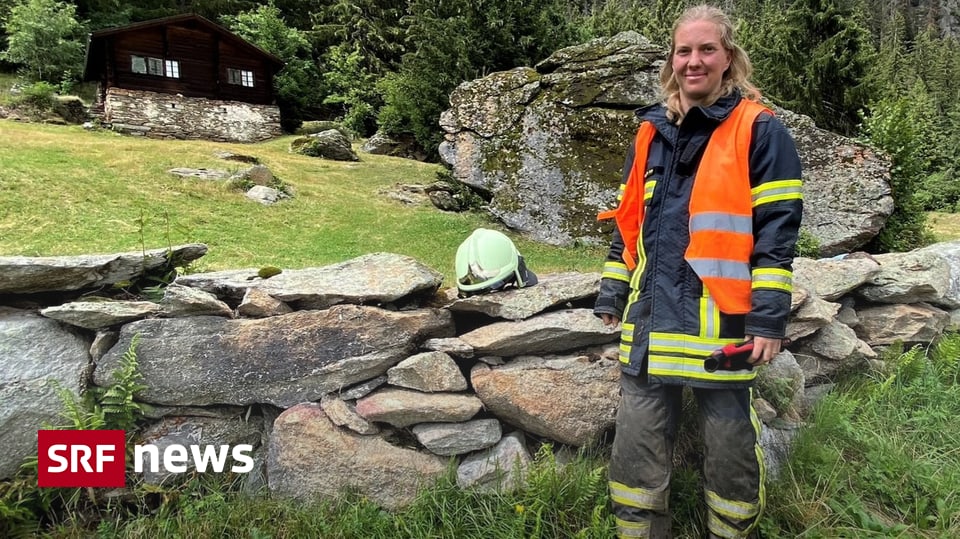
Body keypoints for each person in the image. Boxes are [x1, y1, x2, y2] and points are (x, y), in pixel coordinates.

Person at [593, 5, 803, 539]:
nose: (694, 61)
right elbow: (629, 223)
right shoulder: (649, 132)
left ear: (728, 57)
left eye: (707, 49)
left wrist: (768, 320)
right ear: (672, 59)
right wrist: (612, 292)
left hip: (723, 328)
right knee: (635, 457)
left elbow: (777, 235)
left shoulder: (759, 129)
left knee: (731, 456)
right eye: (683, 50)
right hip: (649, 323)